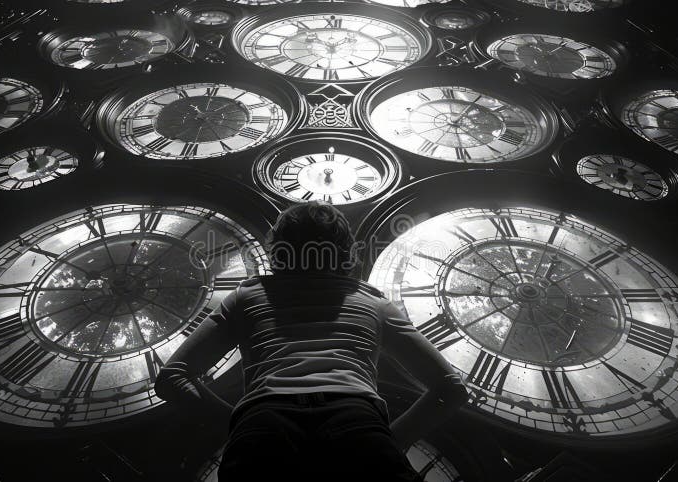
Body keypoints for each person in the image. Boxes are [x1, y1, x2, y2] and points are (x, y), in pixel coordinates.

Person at [154, 201, 468, 481]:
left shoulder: (246, 297)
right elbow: (449, 390)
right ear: (346, 251)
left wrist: (238, 426)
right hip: (357, 422)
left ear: (278, 247)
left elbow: (172, 378)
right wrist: (391, 439)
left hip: (264, 425)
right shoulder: (374, 304)